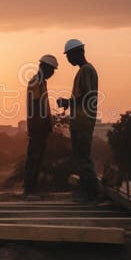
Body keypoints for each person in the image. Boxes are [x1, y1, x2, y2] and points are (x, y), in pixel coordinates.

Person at [56, 39, 99, 203]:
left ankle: (90, 192)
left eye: (68, 56)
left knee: (83, 157)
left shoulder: (86, 70)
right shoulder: (85, 70)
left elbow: (86, 95)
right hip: (80, 120)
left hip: (83, 121)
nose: (67, 59)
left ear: (77, 53)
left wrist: (68, 102)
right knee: (80, 156)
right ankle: (85, 190)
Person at [23, 54, 58, 198]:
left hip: (40, 127)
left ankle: (32, 188)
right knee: (34, 157)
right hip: (37, 127)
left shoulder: (41, 82)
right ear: (43, 67)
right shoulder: (36, 82)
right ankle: (29, 189)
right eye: (51, 70)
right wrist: (40, 125)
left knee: (37, 158)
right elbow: (37, 107)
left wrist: (48, 124)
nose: (52, 73)